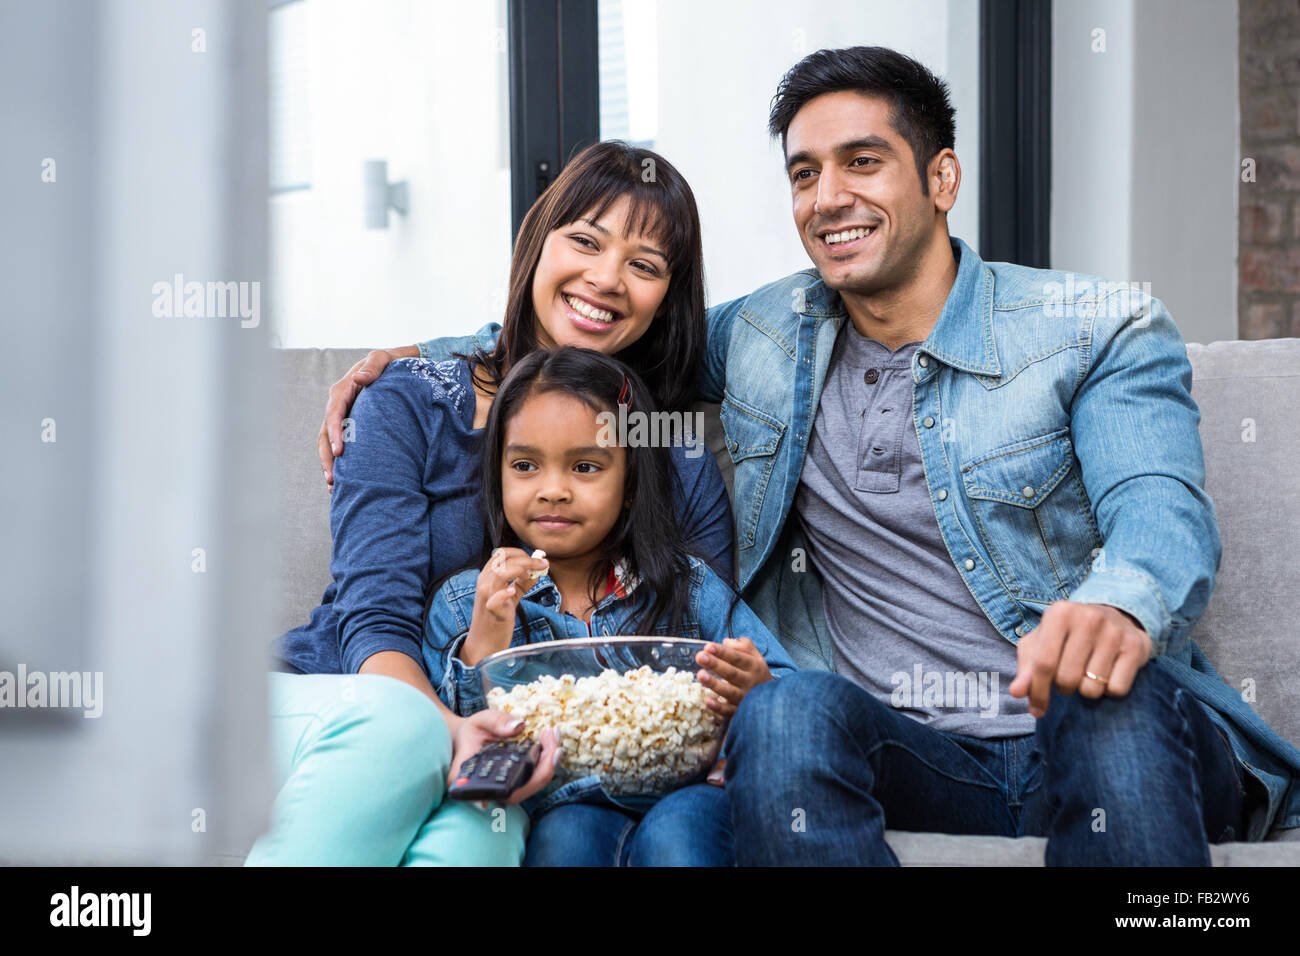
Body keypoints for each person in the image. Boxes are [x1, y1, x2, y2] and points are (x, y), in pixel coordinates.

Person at [321, 48, 1300, 863]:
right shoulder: (765, 334)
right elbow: (595, 334)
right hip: (906, 749)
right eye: (803, 172)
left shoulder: (1096, 326)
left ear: (941, 177)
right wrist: (439, 356)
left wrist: (1116, 600)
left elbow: (1160, 507)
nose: (828, 196)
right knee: (784, 715)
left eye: (863, 162)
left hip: (1097, 733)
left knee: (1107, 697)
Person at [249, 141, 736, 866]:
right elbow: (373, 619)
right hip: (350, 703)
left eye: (644, 265)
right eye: (586, 241)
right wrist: (446, 727)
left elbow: (689, 644)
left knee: (482, 841)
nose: (606, 279)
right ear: (537, 244)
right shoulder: (407, 402)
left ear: (668, 298)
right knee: (401, 730)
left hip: (496, 753)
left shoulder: (666, 453)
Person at [422, 347, 797, 865]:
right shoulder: (468, 600)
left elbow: (791, 698)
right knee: (565, 842)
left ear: (629, 485)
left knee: (680, 838)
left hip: (686, 790)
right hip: (556, 801)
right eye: (525, 465)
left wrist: (756, 690)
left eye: (585, 466)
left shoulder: (688, 585)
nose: (553, 491)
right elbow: (461, 744)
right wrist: (488, 632)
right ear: (498, 473)